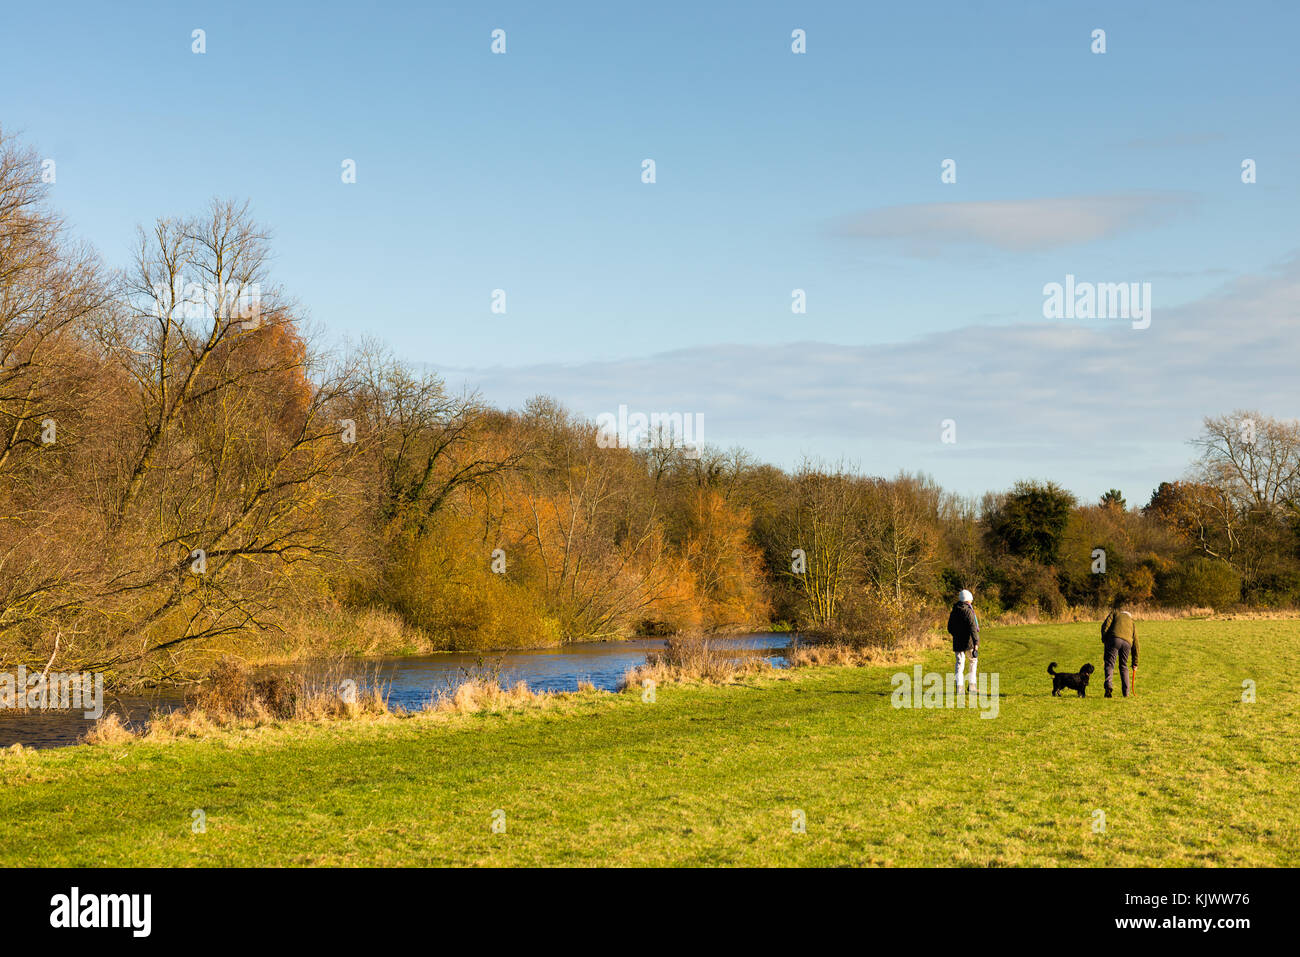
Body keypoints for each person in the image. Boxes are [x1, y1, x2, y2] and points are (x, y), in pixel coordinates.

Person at [1100, 602, 1139, 698]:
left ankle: (1108, 685)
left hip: (1114, 639)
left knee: (1110, 664)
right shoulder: (1132, 622)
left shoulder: (1115, 613)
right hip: (1127, 643)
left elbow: (1105, 626)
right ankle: (1126, 693)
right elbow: (1136, 643)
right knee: (1123, 666)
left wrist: (1105, 639)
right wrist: (1135, 663)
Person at [947, 589, 979, 693]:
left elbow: (949, 628)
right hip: (968, 641)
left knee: (959, 663)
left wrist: (957, 634)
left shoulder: (954, 610)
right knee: (973, 661)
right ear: (968, 600)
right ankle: (972, 686)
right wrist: (976, 643)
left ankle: (959, 687)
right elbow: (973, 628)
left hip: (957, 641)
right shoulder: (969, 611)